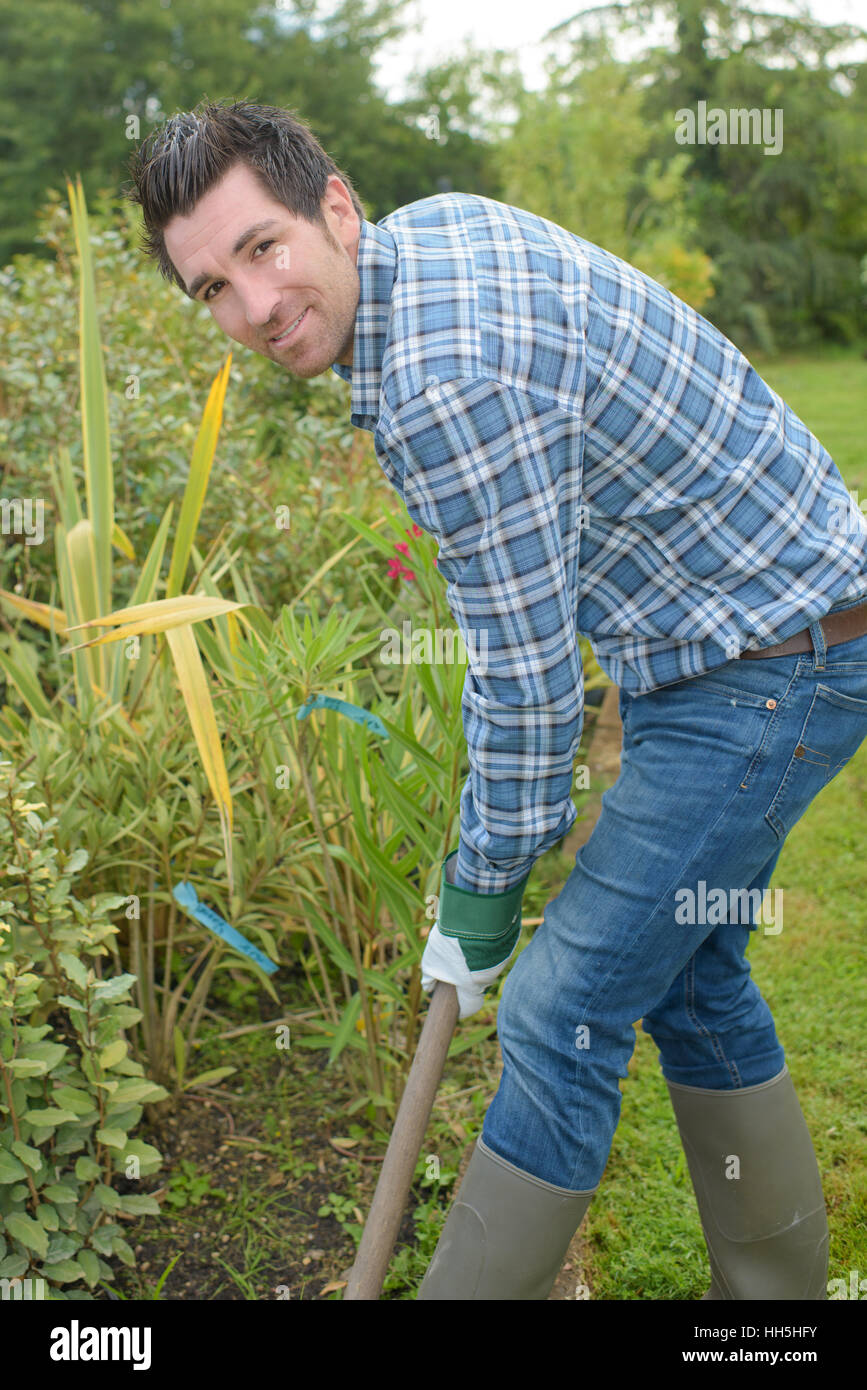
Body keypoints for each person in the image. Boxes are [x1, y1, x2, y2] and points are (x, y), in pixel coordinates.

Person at [127, 99, 867, 1301]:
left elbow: (527, 688)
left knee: (560, 1006)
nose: (252, 310)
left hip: (770, 663)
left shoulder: (444, 374)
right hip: (752, 627)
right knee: (688, 974)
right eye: (210, 286)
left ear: (336, 207)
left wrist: (479, 898)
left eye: (261, 249)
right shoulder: (429, 248)